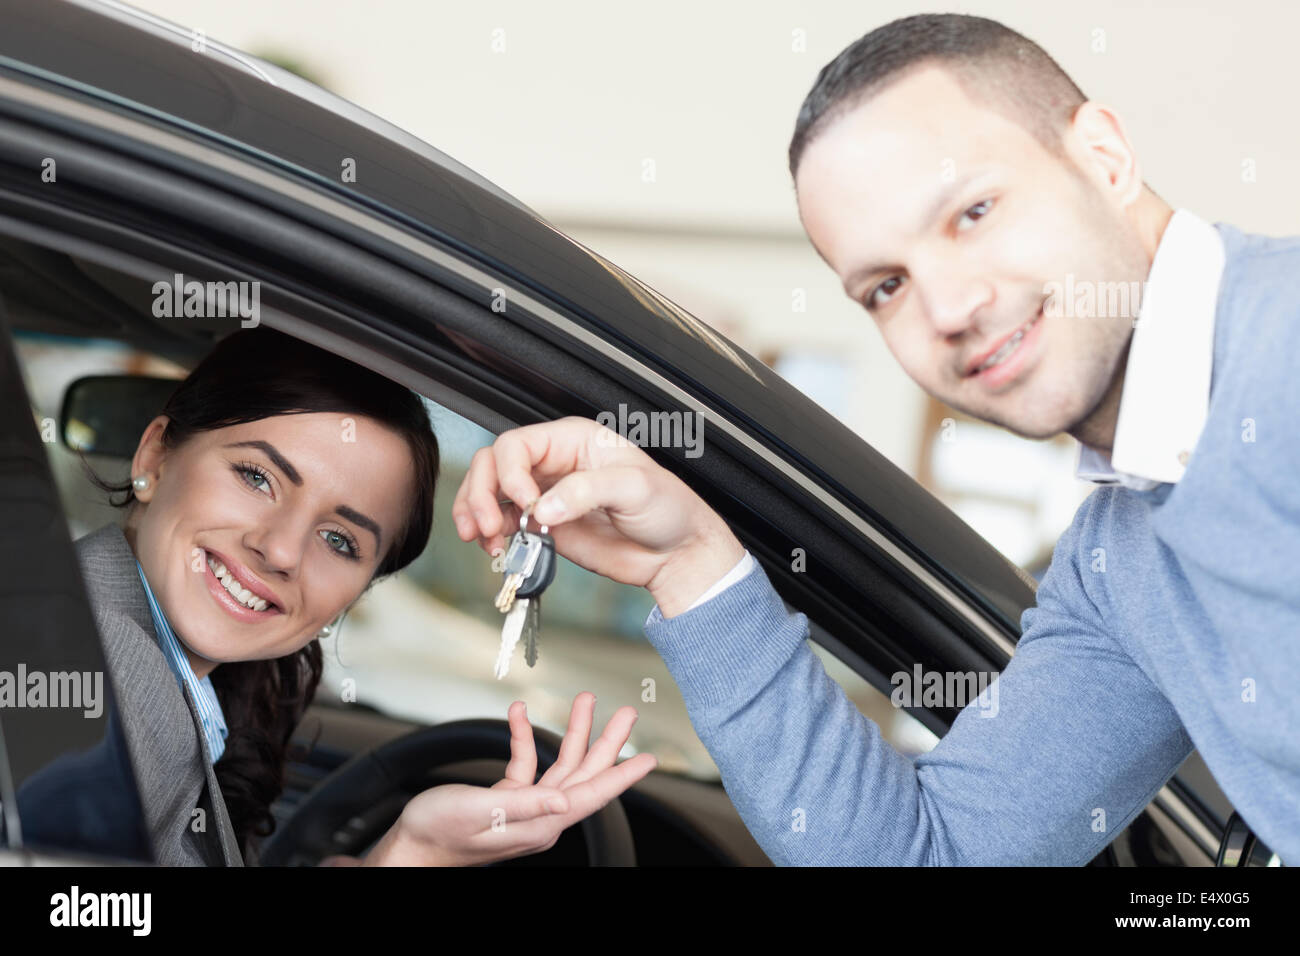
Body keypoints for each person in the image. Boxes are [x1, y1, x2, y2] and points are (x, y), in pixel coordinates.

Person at [451, 13, 1299, 864]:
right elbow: (930, 857)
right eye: (887, 284)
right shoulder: (1121, 562)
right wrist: (693, 565)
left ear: (1104, 158)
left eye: (974, 212)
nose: (950, 309)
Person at [70, 327, 655, 866]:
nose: (280, 551)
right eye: (257, 477)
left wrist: (410, 846)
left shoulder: (149, 663)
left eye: (338, 540)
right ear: (155, 457)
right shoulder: (110, 665)